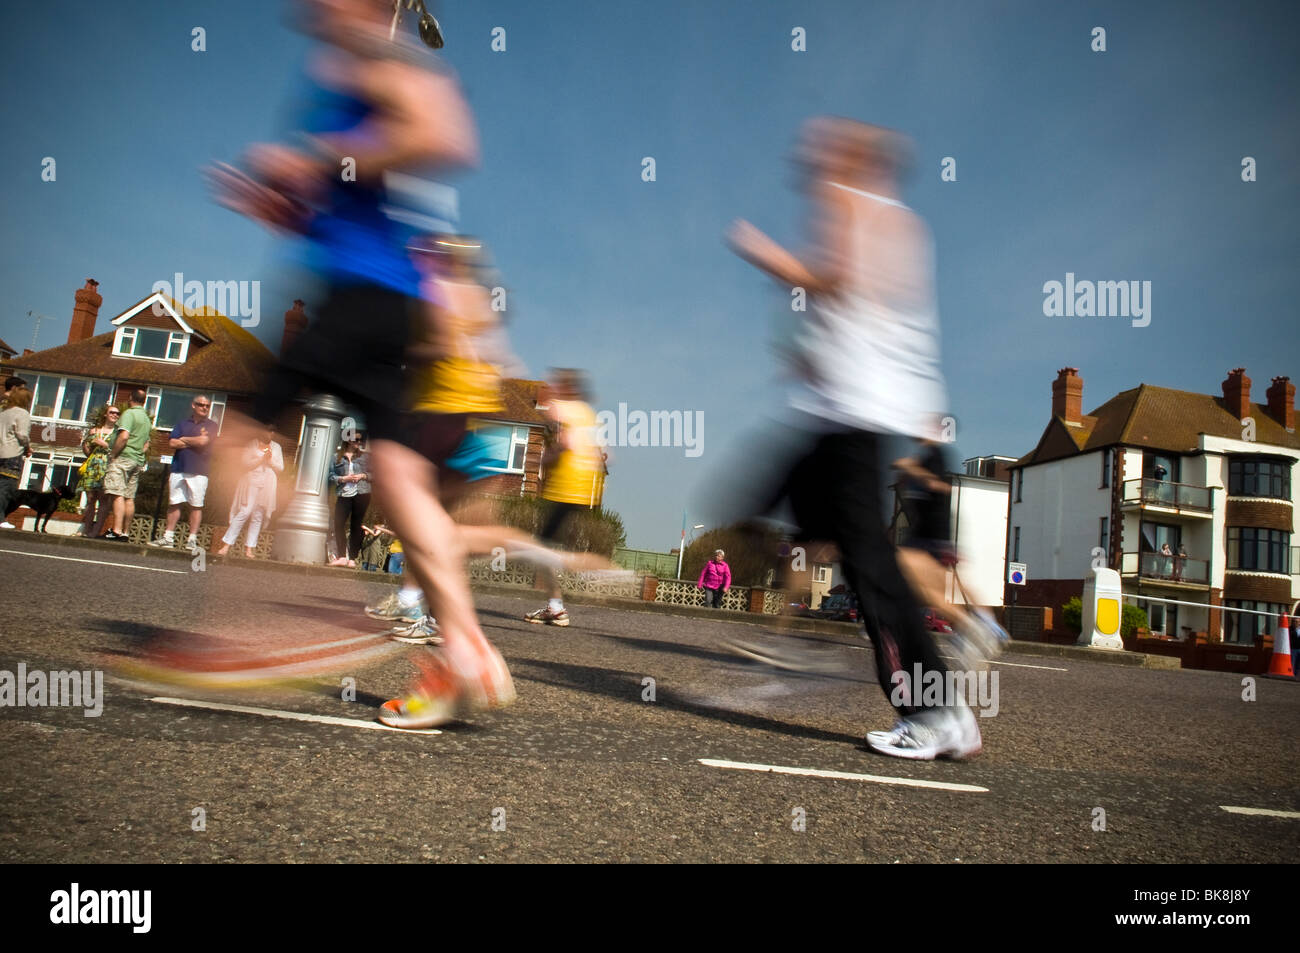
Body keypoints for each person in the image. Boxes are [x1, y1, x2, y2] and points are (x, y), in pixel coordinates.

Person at [202, 0, 513, 728]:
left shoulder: (374, 53)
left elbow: (444, 134)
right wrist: (283, 201)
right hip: (385, 299)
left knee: (240, 428)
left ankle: (229, 636)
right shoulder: (345, 62)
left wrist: (311, 157)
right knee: (403, 485)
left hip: (363, 296)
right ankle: (465, 651)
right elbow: (342, 197)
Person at [724, 117, 985, 760]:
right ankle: (803, 641)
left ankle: (933, 713)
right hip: (837, 415)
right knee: (774, 509)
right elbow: (856, 307)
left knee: (871, 565)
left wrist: (769, 257)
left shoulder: (861, 211)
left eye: (823, 151)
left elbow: (836, 280)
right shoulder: (884, 217)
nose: (810, 162)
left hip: (854, 419)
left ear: (854, 161)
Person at [522, 369, 604, 628]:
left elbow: (566, 443)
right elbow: (603, 454)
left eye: (556, 384)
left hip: (563, 486)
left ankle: (556, 606)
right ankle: (556, 604)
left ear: (565, 388)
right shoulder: (588, 413)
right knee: (546, 546)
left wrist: (544, 458)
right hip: (582, 488)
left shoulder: (560, 409)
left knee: (540, 548)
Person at [150, 395, 218, 548]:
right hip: (179, 468)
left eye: (207, 405)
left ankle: (192, 540)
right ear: (193, 405)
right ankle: (168, 537)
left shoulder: (212, 425)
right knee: (174, 503)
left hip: (199, 470)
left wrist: (184, 439)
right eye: (201, 405)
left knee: (196, 505)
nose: (204, 408)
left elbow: (203, 442)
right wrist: (194, 440)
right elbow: (173, 442)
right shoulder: (181, 423)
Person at [216, 426, 283, 558]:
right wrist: (261, 459)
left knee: (258, 515)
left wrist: (269, 460)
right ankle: (227, 544)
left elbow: (280, 468)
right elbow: (245, 463)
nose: (269, 433)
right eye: (267, 430)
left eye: (272, 431)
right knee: (245, 511)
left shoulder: (276, 447)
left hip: (268, 482)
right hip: (251, 480)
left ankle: (249, 549)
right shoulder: (252, 444)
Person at [102, 389, 153, 541]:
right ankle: (125, 532)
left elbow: (123, 437)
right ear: (144, 401)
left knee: (117, 493)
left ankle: (116, 531)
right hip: (137, 460)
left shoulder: (129, 414)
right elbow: (146, 444)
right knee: (129, 497)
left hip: (124, 458)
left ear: (131, 398)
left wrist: (113, 454)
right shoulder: (146, 419)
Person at [76, 404, 118, 537]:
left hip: (107, 466)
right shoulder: (95, 431)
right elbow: (87, 452)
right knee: (90, 498)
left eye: (117, 413)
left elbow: (118, 451)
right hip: (93, 465)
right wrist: (85, 444)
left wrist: (105, 445)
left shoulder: (117, 433)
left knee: (103, 499)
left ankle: (95, 531)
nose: (115, 415)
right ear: (105, 414)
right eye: (112, 412)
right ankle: (87, 529)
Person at [329, 438, 370, 567]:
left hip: (362, 493)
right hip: (343, 493)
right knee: (339, 523)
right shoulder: (336, 457)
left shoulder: (365, 457)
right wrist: (343, 478)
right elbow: (330, 475)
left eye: (360, 440)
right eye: (356, 440)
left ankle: (352, 558)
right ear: (348, 441)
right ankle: (342, 556)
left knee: (356, 526)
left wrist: (362, 476)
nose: (359, 443)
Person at [0, 385, 33, 526]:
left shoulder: (4, 413)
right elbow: (22, 434)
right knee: (6, 488)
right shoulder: (22, 413)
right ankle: (1, 518)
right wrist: (28, 446)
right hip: (12, 454)